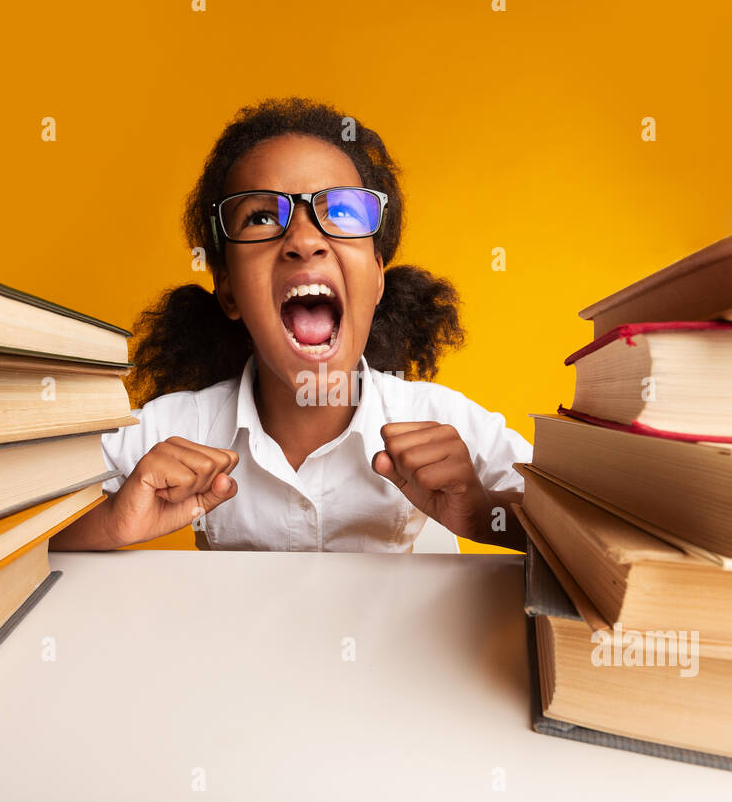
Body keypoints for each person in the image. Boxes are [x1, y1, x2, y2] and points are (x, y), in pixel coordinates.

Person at [51, 96, 531, 553]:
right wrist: (111, 522)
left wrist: (484, 513)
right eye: (260, 215)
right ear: (229, 289)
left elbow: (592, 541)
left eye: (341, 211)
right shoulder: (172, 428)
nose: (304, 240)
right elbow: (2, 541)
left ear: (378, 278)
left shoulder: (444, 421)